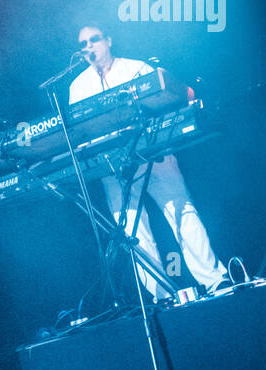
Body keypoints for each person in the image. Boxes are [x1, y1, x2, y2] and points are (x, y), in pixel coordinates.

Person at [68, 25, 229, 300]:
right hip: (113, 165)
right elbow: (80, 132)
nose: (89, 46)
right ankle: (162, 296)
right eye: (83, 43)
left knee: (181, 211)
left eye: (94, 39)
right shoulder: (77, 86)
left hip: (155, 153)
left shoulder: (136, 69)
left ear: (108, 39)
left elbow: (169, 99)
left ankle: (215, 281)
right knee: (132, 228)